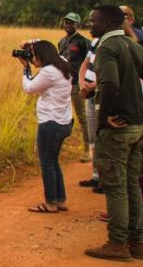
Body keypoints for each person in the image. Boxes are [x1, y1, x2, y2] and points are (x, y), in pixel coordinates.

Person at [84, 5, 143, 262]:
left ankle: (117, 243)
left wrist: (104, 118)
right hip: (137, 125)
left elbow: (109, 84)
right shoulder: (134, 46)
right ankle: (137, 242)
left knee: (116, 186)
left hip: (118, 128)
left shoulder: (107, 47)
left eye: (93, 20)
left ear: (107, 22)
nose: (90, 24)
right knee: (132, 184)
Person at [17, 40, 74, 213]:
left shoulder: (49, 72)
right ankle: (59, 200)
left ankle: (50, 203)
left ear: (42, 55)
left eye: (34, 55)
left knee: (47, 163)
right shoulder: (62, 63)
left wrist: (25, 68)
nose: (32, 58)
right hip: (64, 121)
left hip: (50, 123)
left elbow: (29, 87)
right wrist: (31, 44)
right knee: (54, 161)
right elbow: (46, 47)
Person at [57, 12, 92, 162]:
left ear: (78, 25)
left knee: (82, 117)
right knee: (61, 116)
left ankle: (87, 151)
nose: (68, 25)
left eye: (71, 23)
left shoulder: (84, 42)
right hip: (63, 83)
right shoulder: (62, 41)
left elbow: (90, 63)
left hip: (77, 84)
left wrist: (86, 82)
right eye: (66, 22)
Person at [78, 36, 102, 192]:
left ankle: (106, 179)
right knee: (93, 136)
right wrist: (81, 82)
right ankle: (96, 175)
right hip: (90, 93)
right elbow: (85, 64)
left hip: (102, 93)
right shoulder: (95, 42)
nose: (90, 24)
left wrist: (95, 85)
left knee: (104, 137)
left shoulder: (115, 42)